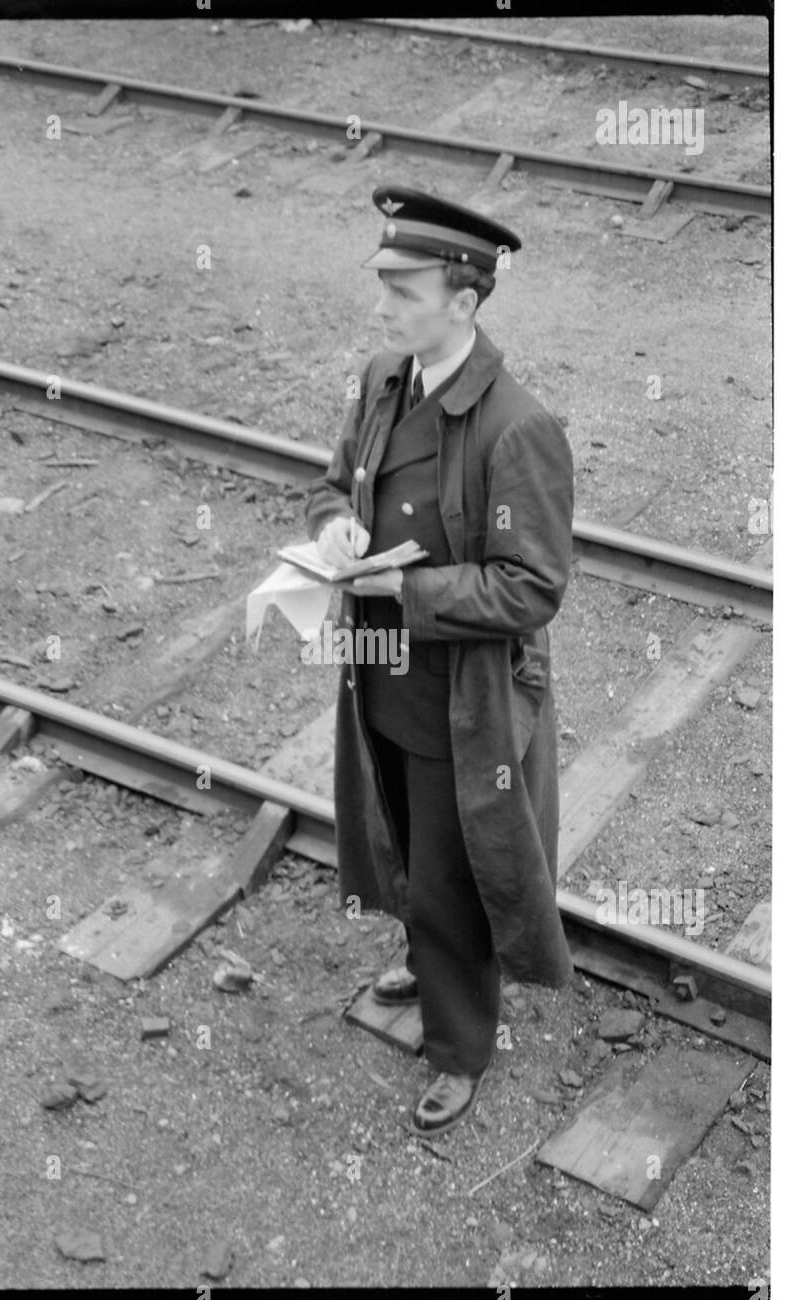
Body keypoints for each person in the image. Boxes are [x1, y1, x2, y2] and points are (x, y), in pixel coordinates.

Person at [305, 186, 575, 1137]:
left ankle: (459, 1048)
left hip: (464, 698)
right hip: (380, 670)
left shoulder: (516, 426)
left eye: (403, 290)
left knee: (458, 860)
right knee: (406, 838)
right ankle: (423, 960)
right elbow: (334, 482)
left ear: (464, 302)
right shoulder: (386, 378)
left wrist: (408, 594)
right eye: (383, 285)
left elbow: (531, 589)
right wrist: (337, 526)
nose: (383, 307)